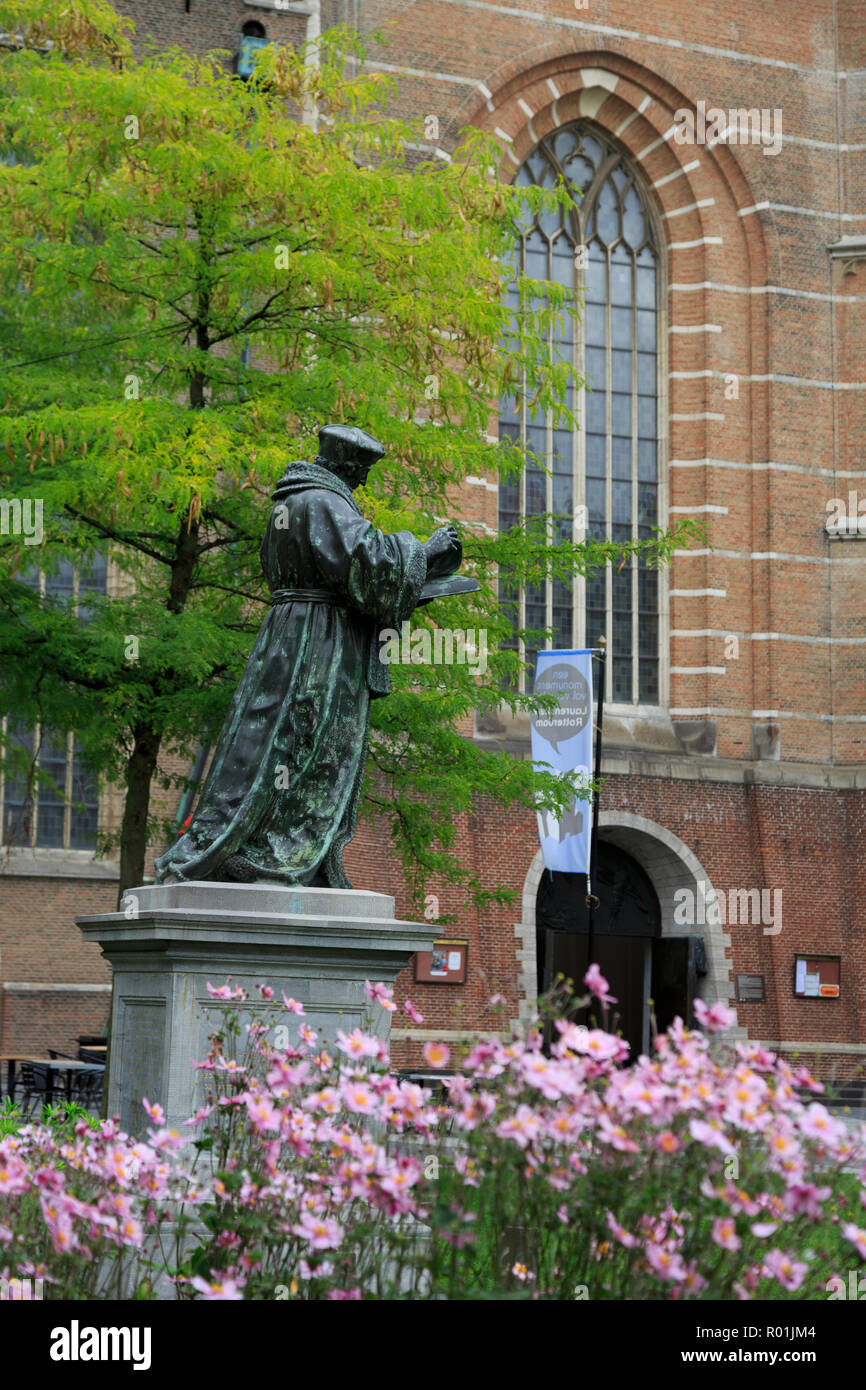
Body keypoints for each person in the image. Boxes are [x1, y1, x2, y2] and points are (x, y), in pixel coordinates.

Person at [154, 424, 462, 889]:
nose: (362, 482)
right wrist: (428, 550)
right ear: (344, 463)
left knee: (270, 742)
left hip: (290, 635)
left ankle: (256, 845)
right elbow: (368, 563)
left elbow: (348, 572)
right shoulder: (322, 502)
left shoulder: (291, 501)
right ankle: (276, 853)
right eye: (361, 471)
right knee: (309, 743)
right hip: (319, 644)